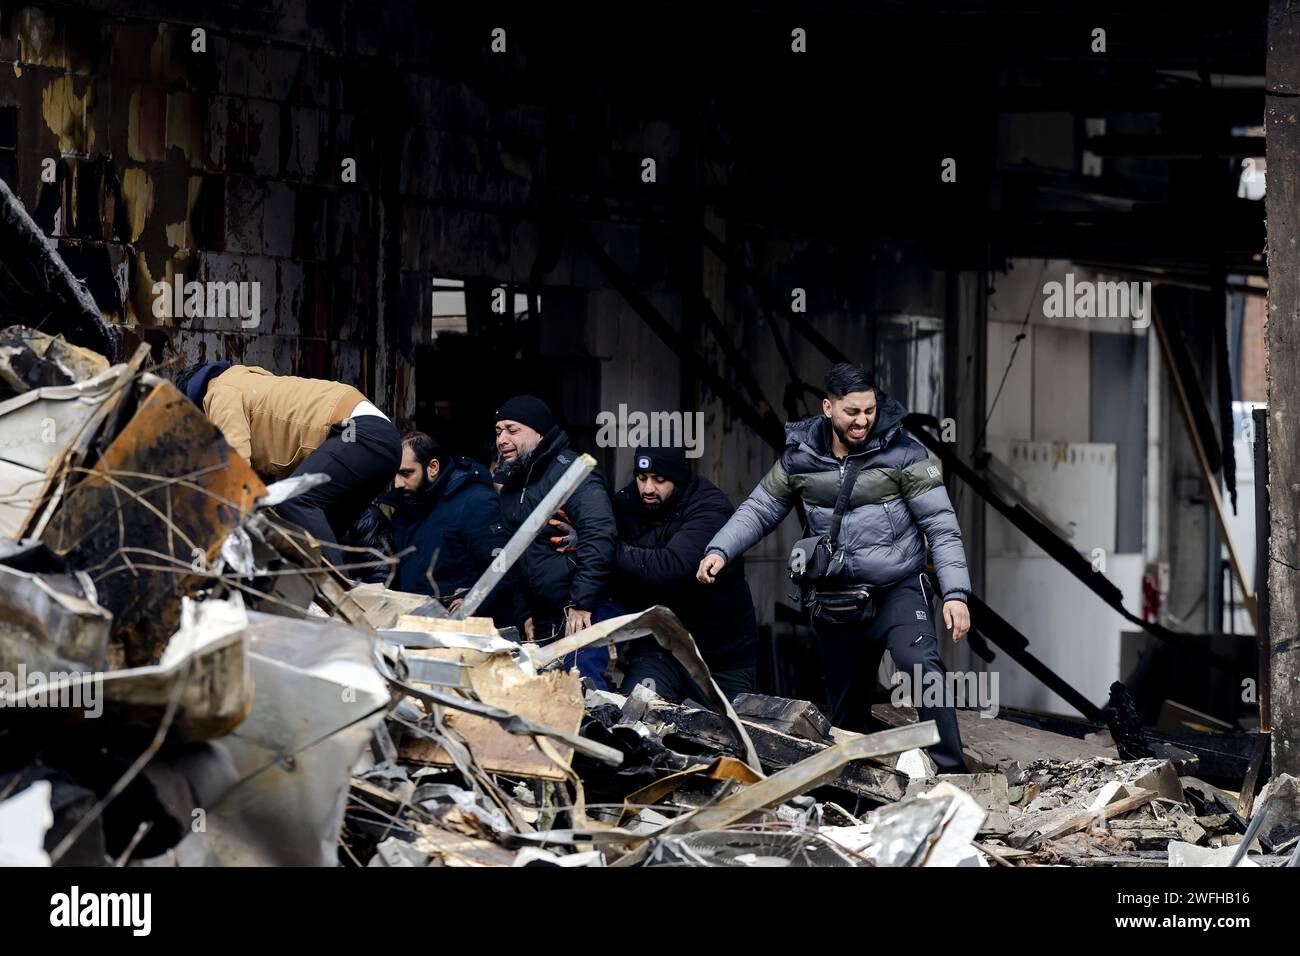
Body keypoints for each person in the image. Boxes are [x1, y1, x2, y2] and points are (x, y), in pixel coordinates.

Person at [697, 362, 972, 771]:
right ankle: (857, 784)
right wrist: (720, 549)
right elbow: (760, 508)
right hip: (837, 595)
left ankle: (951, 770)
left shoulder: (906, 454)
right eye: (852, 412)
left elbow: (942, 527)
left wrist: (954, 593)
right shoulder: (800, 458)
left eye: (869, 410)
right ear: (828, 408)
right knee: (847, 703)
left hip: (898, 587)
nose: (862, 421)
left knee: (920, 668)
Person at [174, 361, 401, 570]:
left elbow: (236, 474)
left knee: (293, 500)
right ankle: (333, 599)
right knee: (303, 539)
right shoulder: (245, 382)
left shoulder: (221, 392)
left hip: (360, 432)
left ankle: (341, 596)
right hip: (381, 443)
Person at [607, 444, 759, 705]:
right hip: (660, 648)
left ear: (678, 477)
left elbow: (671, 567)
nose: (648, 489)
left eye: (659, 480)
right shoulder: (627, 502)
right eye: (642, 478)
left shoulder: (711, 507)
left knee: (728, 739)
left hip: (721, 657)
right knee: (635, 723)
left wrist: (605, 544)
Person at [493, 395, 616, 687]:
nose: (502, 439)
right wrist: (524, 612)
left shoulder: (572, 473)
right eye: (498, 431)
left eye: (512, 429)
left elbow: (599, 533)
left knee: (584, 694)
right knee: (546, 696)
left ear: (539, 433)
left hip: (583, 611)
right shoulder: (512, 486)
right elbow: (516, 555)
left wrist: (581, 603)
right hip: (543, 614)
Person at [384, 430, 509, 613]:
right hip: (414, 624)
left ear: (433, 467)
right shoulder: (405, 507)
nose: (397, 484)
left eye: (406, 473)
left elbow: (501, 569)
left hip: (463, 627)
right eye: (394, 475)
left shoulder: (475, 503)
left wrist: (471, 602)